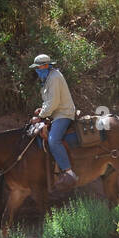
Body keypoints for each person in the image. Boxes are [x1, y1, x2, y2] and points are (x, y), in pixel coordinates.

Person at [28, 54, 80, 189]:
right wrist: (43, 110)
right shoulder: (47, 79)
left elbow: (54, 102)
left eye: (38, 68)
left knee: (53, 140)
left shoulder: (54, 77)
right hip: (56, 114)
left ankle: (69, 173)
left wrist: (40, 117)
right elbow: (49, 102)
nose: (37, 71)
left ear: (46, 66)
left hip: (63, 114)